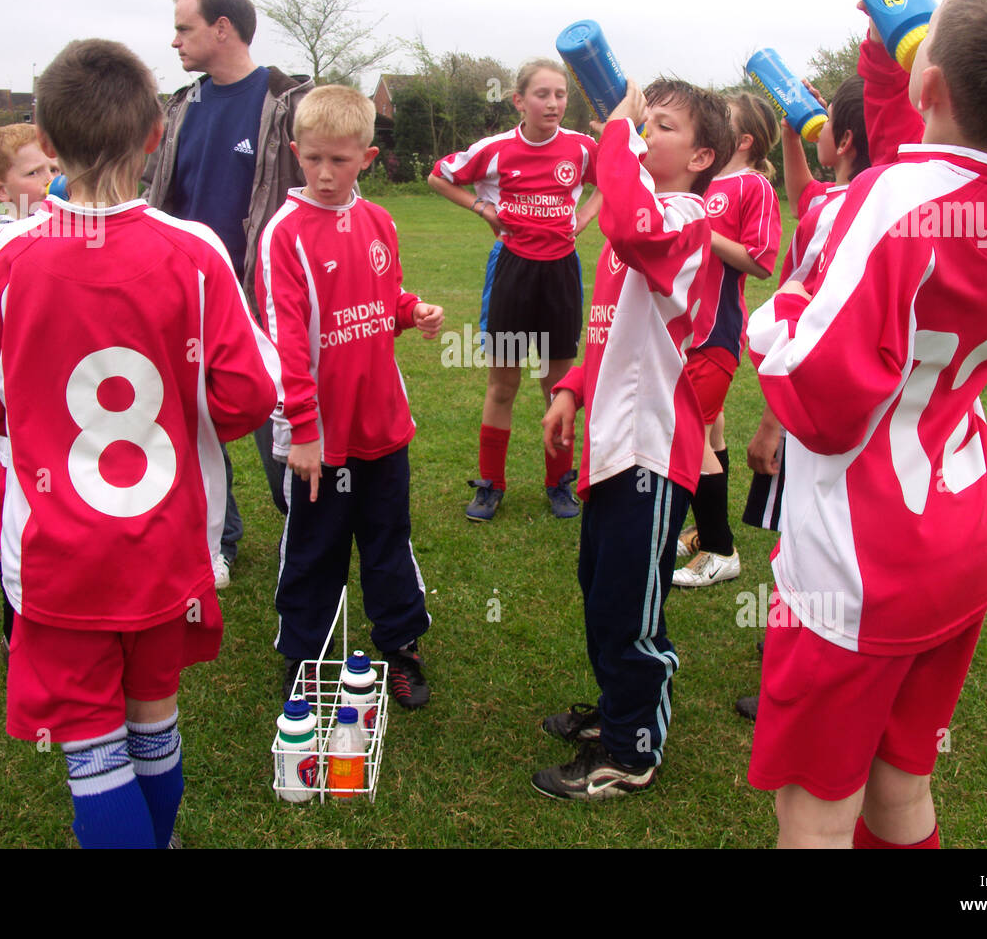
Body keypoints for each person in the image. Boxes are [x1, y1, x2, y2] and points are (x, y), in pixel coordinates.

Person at [745, 0, 987, 847]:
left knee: (816, 810)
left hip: (862, 564)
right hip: (954, 539)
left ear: (933, 75)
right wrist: (888, 33)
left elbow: (813, 396)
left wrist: (780, 311)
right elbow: (933, 144)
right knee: (897, 790)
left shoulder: (886, 203)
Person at [0, 38, 282, 848]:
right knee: (153, 722)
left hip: (60, 553)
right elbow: (249, 393)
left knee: (92, 748)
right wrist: (185, 421)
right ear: (156, 135)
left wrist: (36, 423)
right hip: (167, 544)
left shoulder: (9, 258)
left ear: (47, 146)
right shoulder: (196, 254)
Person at [534, 78, 731, 799]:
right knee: (601, 586)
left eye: (664, 127)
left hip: (652, 448)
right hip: (613, 441)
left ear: (702, 155)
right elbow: (613, 334)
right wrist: (571, 389)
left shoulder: (683, 219)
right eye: (644, 122)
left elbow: (631, 222)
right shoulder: (636, 218)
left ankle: (632, 750)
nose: (646, 133)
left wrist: (614, 133)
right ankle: (617, 710)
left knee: (630, 606)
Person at [256, 85, 444, 710]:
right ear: (295, 153)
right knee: (314, 547)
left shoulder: (379, 221)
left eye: (340, 160)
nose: (325, 173)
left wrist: (411, 310)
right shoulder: (284, 234)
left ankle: (400, 646)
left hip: (383, 423)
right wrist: (305, 431)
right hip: (318, 437)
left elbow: (379, 304)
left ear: (366, 156)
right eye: (313, 159)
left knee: (390, 538)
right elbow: (288, 344)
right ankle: (303, 656)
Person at [145, 0, 313, 586]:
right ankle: (219, 538)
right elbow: (156, 199)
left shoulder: (291, 100)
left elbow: (328, 198)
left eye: (184, 28)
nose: (174, 41)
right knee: (190, 423)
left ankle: (307, 529)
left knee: (281, 417)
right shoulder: (178, 108)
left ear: (223, 28)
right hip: (187, 300)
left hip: (269, 303)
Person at [735, 75, 871, 720]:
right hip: (864, 411)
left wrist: (770, 425)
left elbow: (806, 331)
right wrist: (793, 129)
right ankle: (799, 653)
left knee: (806, 540)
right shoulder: (863, 202)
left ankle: (797, 671)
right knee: (822, 536)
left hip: (808, 411)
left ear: (841, 139)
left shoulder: (839, 215)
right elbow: (805, 196)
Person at [428, 59, 600, 522]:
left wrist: (584, 218)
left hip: (561, 273)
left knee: (557, 384)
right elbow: (438, 176)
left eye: (561, 94)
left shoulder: (583, 149)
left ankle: (559, 482)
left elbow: (611, 180)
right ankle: (490, 485)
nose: (554, 103)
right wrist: (482, 207)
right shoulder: (496, 149)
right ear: (519, 101)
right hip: (513, 272)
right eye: (543, 94)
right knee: (503, 384)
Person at [671, 91, 780, 588]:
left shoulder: (753, 187)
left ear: (742, 139)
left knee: (686, 432)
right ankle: (703, 530)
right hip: (686, 327)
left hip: (717, 330)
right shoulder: (709, 180)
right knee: (710, 432)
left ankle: (720, 548)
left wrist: (703, 230)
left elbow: (760, 261)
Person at [0, 123, 56, 663]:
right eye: (32, 173)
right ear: (1, 190)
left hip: (65, 420)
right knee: (20, 530)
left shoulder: (65, 230)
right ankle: (17, 633)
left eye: (51, 168)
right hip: (24, 431)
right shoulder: (3, 253)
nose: (49, 181)